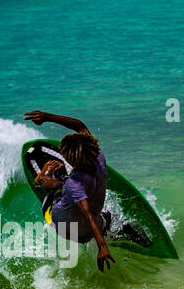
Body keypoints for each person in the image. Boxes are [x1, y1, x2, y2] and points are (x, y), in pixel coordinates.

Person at [22, 110, 115, 271]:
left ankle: (44, 174)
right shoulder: (99, 155)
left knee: (54, 186)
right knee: (107, 217)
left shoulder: (74, 184)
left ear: (71, 161)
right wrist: (48, 117)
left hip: (64, 227)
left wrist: (102, 247)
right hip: (92, 228)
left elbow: (88, 216)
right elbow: (79, 125)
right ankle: (115, 230)